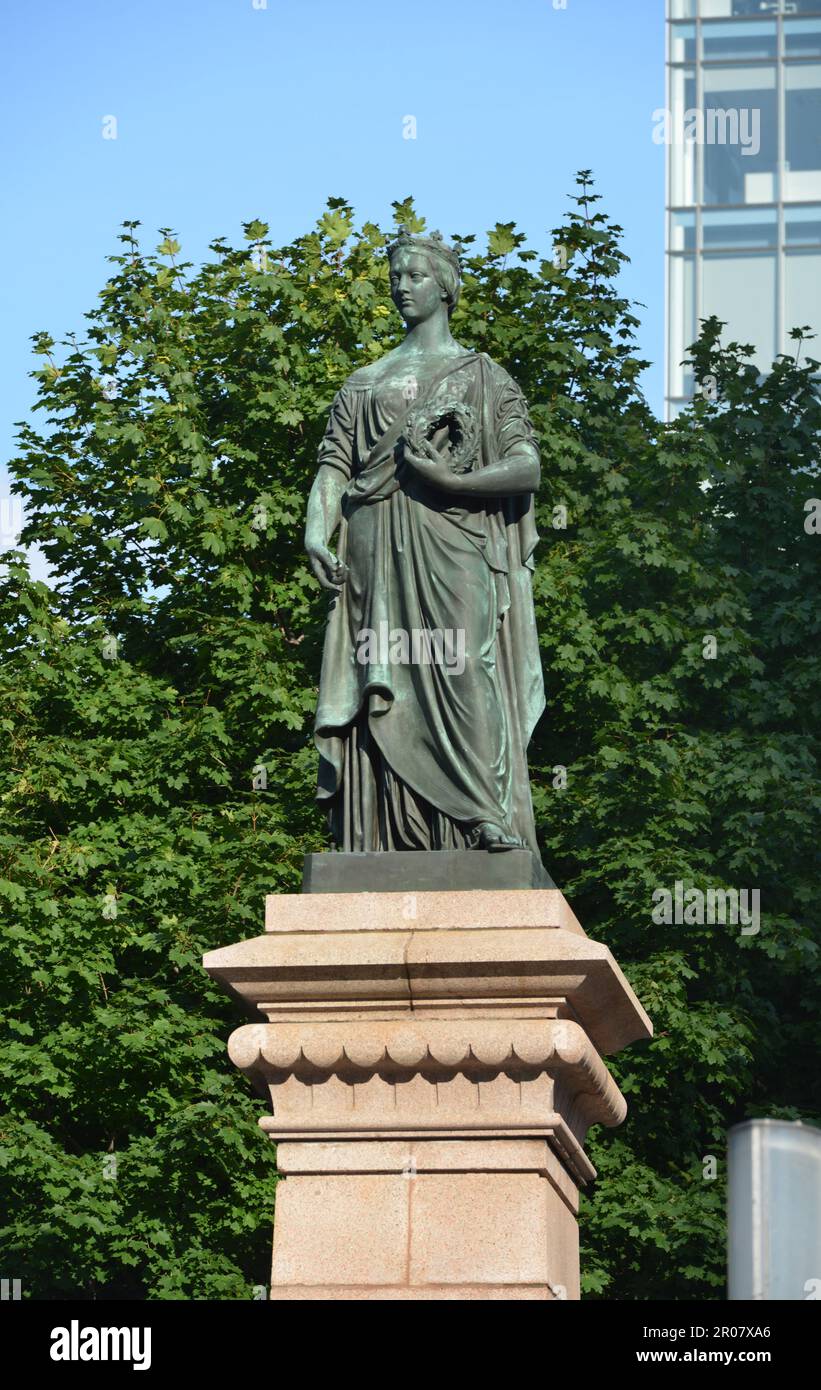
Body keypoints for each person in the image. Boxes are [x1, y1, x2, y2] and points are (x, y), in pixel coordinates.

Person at [304, 228, 545, 853]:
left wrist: (448, 477)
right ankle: (380, 837)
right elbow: (335, 464)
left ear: (446, 286)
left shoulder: (484, 376)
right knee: (383, 673)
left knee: (464, 665)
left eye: (414, 276)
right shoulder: (365, 380)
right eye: (396, 277)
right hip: (375, 542)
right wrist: (315, 527)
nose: (401, 286)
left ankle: (481, 812)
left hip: (454, 538)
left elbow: (526, 467)